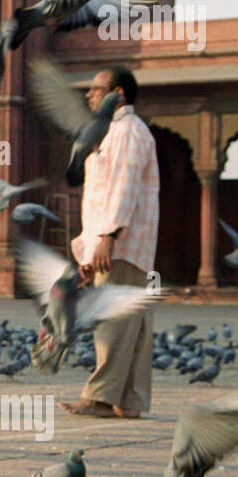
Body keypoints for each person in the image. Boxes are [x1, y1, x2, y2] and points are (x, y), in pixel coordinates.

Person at [60, 65, 160, 419]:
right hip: (124, 244)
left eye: (96, 89)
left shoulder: (127, 133)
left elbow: (123, 188)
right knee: (132, 322)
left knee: (112, 322)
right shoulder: (115, 132)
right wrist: (91, 248)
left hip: (120, 243)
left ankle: (101, 397)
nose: (89, 94)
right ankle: (129, 400)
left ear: (118, 93)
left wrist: (106, 236)